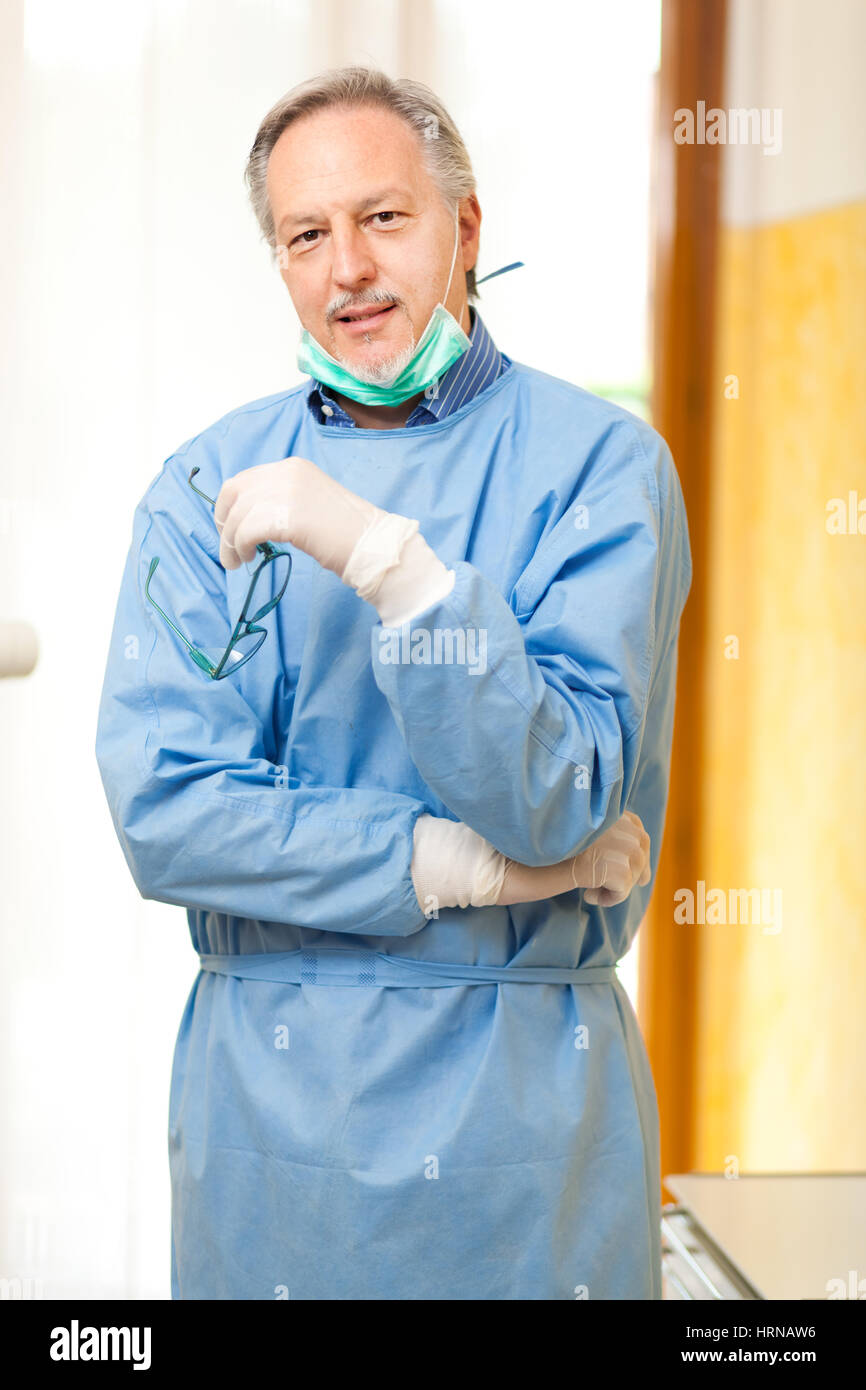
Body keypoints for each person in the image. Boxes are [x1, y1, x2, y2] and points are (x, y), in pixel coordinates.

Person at [96, 66, 692, 1301]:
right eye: (305, 236)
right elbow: (168, 816)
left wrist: (396, 568)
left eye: (382, 218)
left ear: (463, 227)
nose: (347, 271)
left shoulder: (599, 469)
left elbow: (557, 796)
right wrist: (450, 867)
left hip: (518, 1113)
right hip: (271, 1127)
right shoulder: (205, 487)